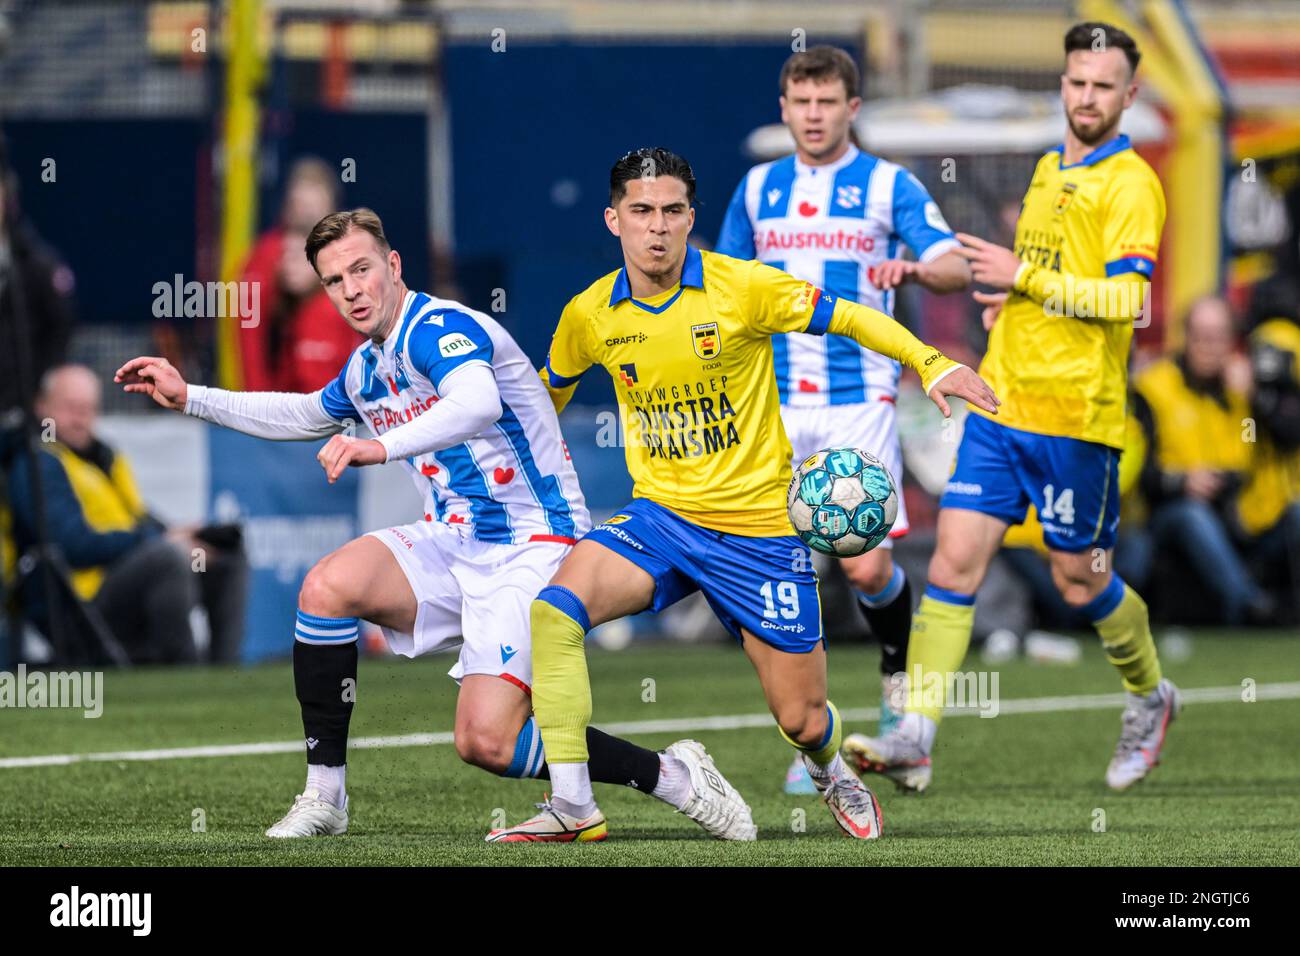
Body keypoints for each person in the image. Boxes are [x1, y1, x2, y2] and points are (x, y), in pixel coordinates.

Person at [117, 208, 752, 843]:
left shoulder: (439, 328)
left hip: (533, 543)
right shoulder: (367, 365)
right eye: (334, 280)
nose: (351, 290)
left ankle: (673, 777)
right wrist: (191, 396)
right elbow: (308, 413)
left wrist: (379, 446)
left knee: (486, 742)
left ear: (393, 265)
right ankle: (325, 796)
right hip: (452, 537)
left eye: (362, 270)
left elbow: (477, 402)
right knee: (325, 589)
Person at [489, 148, 998, 843]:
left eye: (672, 211)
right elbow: (547, 392)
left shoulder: (743, 287)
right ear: (614, 219)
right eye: (642, 211)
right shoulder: (591, 313)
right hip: (660, 519)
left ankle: (828, 767)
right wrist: (488, 447)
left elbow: (850, 316)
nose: (657, 226)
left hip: (759, 532)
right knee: (555, 613)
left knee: (802, 720)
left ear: (690, 217)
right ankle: (574, 806)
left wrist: (931, 362)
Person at [849, 22, 1180, 793]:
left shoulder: (1132, 184)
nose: (1087, 97)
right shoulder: (1046, 168)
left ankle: (1149, 694)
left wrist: (1024, 281)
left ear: (1129, 94)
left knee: (1079, 579)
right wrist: (1007, 302)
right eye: (1077, 82)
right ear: (1062, 85)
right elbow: (1049, 279)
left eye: (1103, 86)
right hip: (1001, 404)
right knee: (954, 562)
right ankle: (915, 736)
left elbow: (1128, 301)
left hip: (1075, 418)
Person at [715, 45, 971, 792]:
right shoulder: (757, 188)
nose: (814, 115)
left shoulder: (889, 184)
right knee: (785, 568)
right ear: (785, 108)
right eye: (802, 102)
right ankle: (815, 741)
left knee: (865, 564)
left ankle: (898, 691)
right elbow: (725, 284)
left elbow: (954, 263)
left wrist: (915, 268)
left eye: (827, 102)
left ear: (852, 109)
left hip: (860, 397)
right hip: (774, 402)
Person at [5, 365, 248, 663]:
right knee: (168, 558)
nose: (80, 419)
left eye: (88, 409)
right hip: (82, 601)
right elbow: (71, 545)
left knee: (226, 555)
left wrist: (185, 534)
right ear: (41, 407)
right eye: (70, 408)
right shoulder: (38, 464)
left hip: (125, 577)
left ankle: (225, 672)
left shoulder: (102, 457)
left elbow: (135, 517)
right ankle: (183, 669)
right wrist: (160, 540)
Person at [1129, 296, 1278, 624]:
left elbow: (1255, 453)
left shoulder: (1238, 391)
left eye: (1218, 337)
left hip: (1232, 507)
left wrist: (1251, 401)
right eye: (1201, 337)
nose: (1209, 347)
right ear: (1186, 337)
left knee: (1290, 513)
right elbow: (1138, 470)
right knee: (1192, 515)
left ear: (1231, 342)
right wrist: (1181, 481)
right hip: (1168, 511)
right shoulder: (1154, 387)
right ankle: (1249, 604)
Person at [238, 158, 361, 392]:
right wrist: (257, 401)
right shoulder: (266, 257)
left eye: (315, 209)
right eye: (300, 206)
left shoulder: (354, 255)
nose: (307, 217)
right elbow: (249, 338)